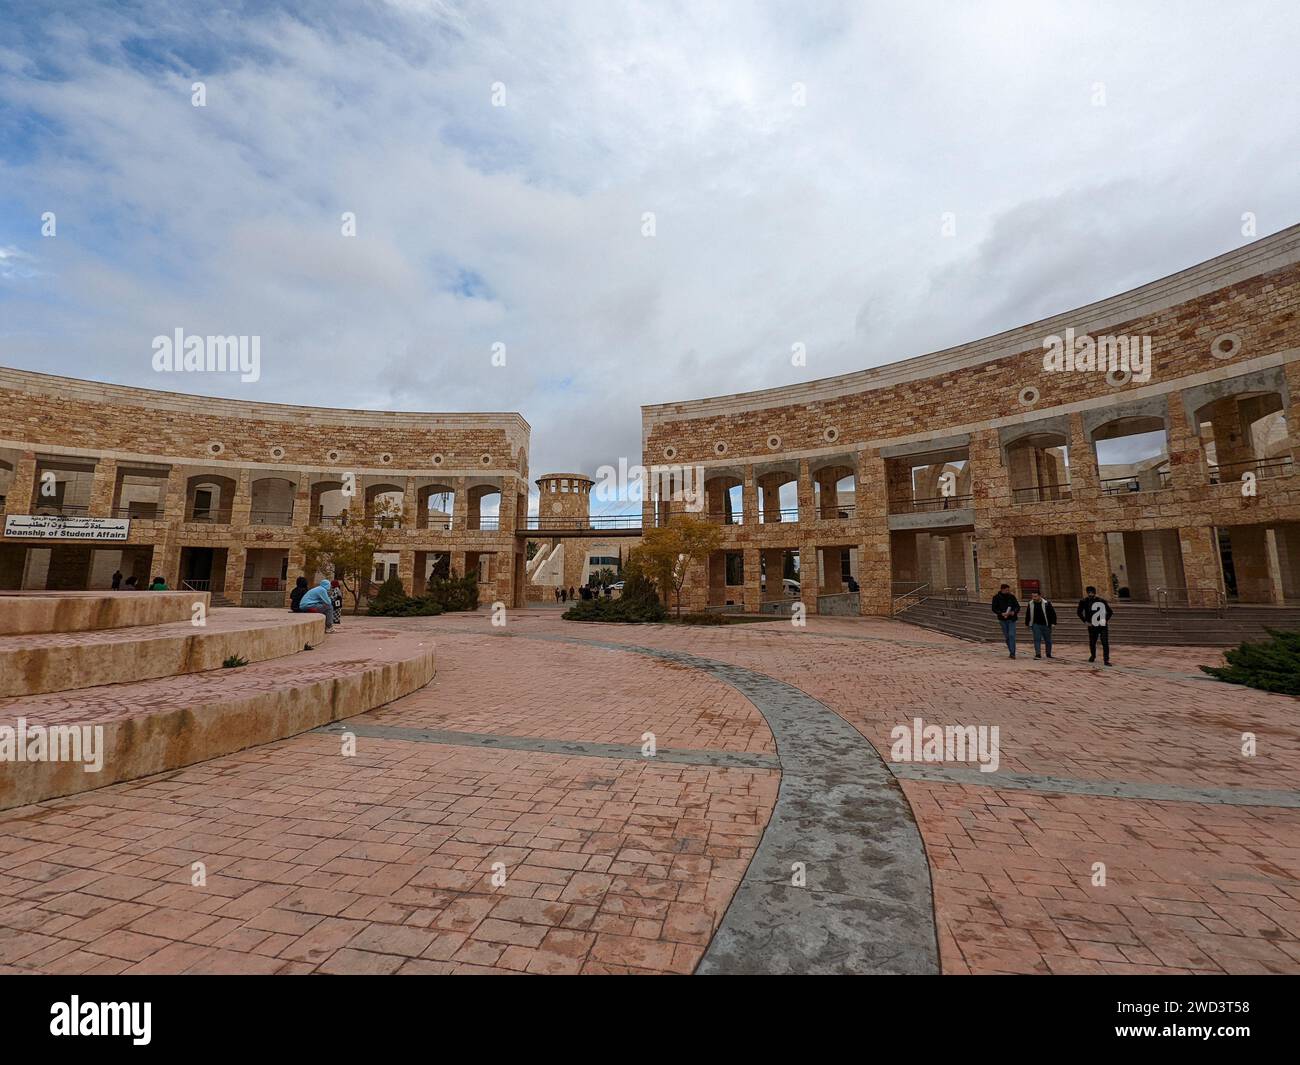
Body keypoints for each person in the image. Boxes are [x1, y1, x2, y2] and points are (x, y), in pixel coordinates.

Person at [1077, 586, 1114, 665]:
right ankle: (1093, 656)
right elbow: (1079, 612)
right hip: (1092, 625)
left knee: (1105, 642)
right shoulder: (1084, 601)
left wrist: (1105, 620)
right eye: (1089, 592)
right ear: (1087, 593)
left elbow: (1110, 612)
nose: (1091, 594)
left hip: (1102, 625)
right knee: (1092, 642)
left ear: (1094, 592)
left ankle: (1106, 660)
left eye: (1092, 592)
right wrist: (1085, 621)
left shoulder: (1101, 601)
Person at [1024, 590, 1057, 659]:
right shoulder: (1030, 603)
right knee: (1037, 639)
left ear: (1039, 596)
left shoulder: (1046, 603)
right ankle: (1038, 654)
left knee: (1048, 640)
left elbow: (1053, 614)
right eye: (1033, 596)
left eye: (1035, 596)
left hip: (1046, 624)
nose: (1034, 598)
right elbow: (1028, 614)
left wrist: (1053, 623)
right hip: (1036, 624)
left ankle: (1048, 653)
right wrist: (1027, 623)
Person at [990, 583, 1020, 658]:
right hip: (1002, 619)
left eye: (1008, 590)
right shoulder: (996, 597)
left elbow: (1017, 606)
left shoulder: (1011, 597)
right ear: (1002, 590)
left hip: (1011, 619)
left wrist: (1014, 612)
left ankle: (1013, 652)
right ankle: (1011, 650)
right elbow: (994, 608)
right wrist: (1001, 613)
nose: (1008, 591)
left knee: (1011, 635)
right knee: (1007, 636)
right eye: (1006, 590)